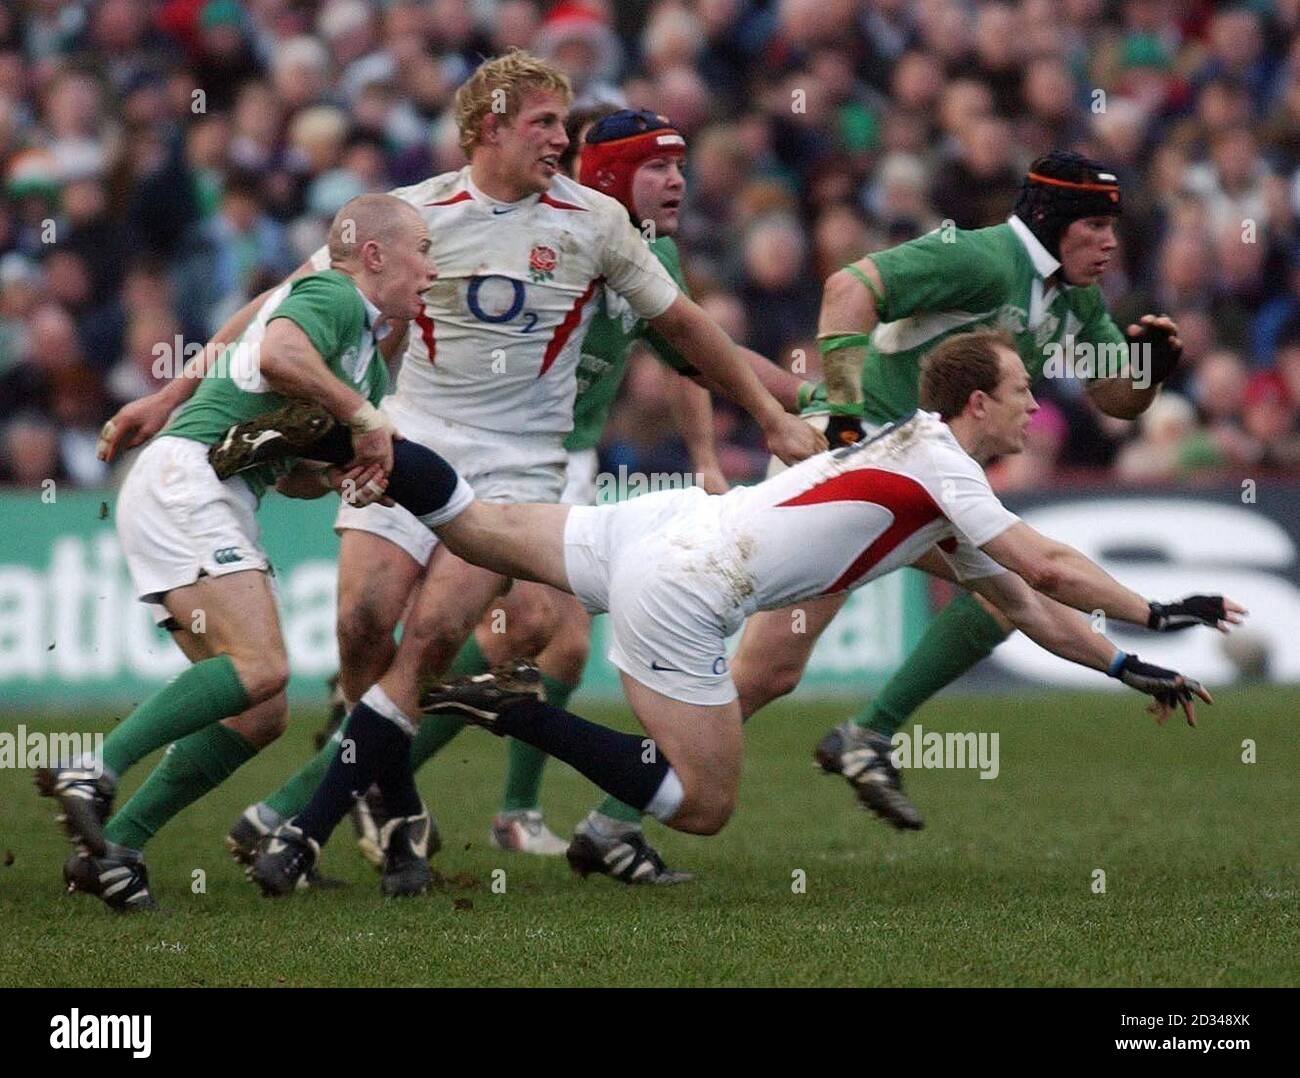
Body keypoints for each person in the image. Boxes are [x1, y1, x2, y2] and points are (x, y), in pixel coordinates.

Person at [248, 327, 1241, 893]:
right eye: (1023, 391)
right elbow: (1054, 565)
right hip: (689, 584)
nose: (1036, 408)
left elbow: (1030, 605)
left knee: (469, 527)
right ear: (977, 402)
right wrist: (1158, 609)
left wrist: (1120, 663)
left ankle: (342, 441)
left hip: (664, 525)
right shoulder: (945, 467)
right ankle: (523, 713)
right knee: (705, 803)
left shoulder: (923, 465)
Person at [729, 150, 1190, 829]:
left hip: (926, 479)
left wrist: (1150, 374)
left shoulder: (1078, 297)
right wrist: (849, 414)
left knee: (1009, 600)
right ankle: (626, 796)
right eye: (1094, 225)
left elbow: (1113, 397)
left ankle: (867, 735)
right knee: (769, 670)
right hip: (859, 462)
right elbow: (847, 288)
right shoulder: (979, 259)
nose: (1110, 241)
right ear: (1053, 222)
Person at [36, 194, 439, 910]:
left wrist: (344, 475)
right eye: (425, 253)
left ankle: (115, 848)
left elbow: (298, 476)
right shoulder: (333, 296)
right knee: (262, 667)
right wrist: (364, 421)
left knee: (261, 712)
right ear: (375, 256)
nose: (432, 273)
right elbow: (281, 353)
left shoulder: (368, 369)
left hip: (207, 494)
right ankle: (94, 766)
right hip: (187, 481)